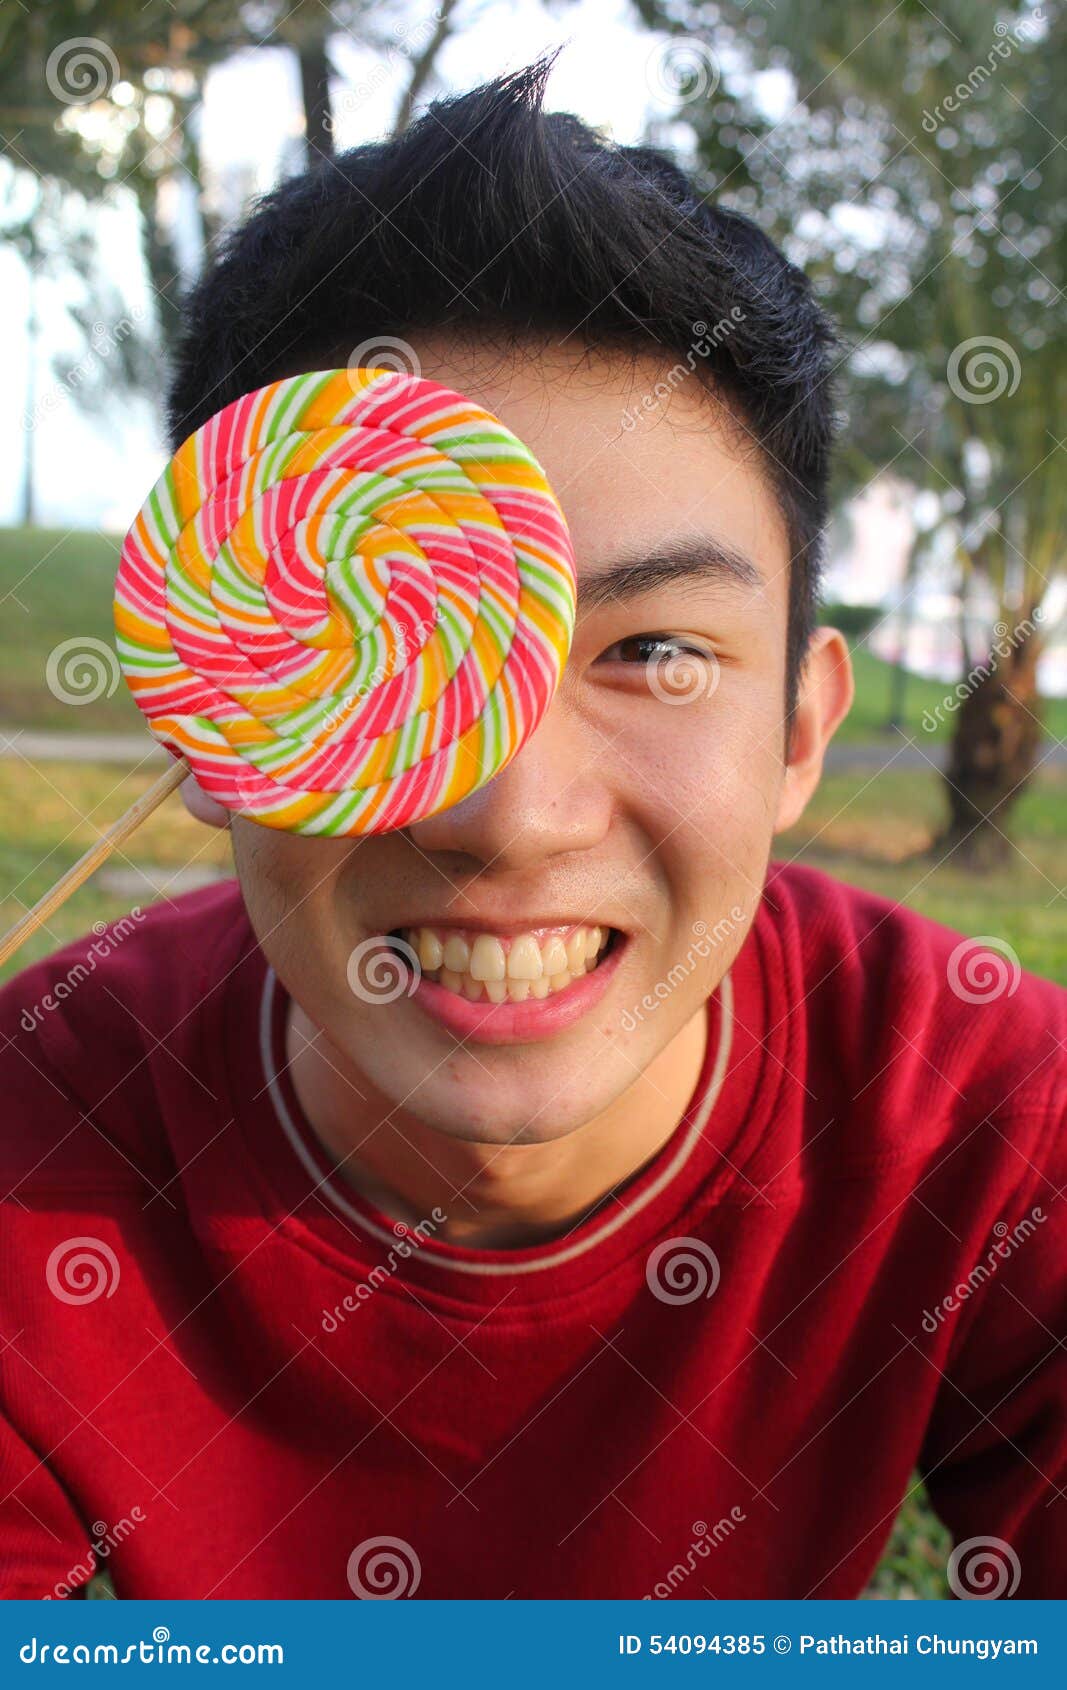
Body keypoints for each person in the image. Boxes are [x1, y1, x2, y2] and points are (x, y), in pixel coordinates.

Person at [1, 55, 1064, 1602]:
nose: (507, 814)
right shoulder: (36, 1135)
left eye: (651, 652)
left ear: (803, 729)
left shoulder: (988, 1117)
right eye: (370, 645)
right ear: (214, 715)